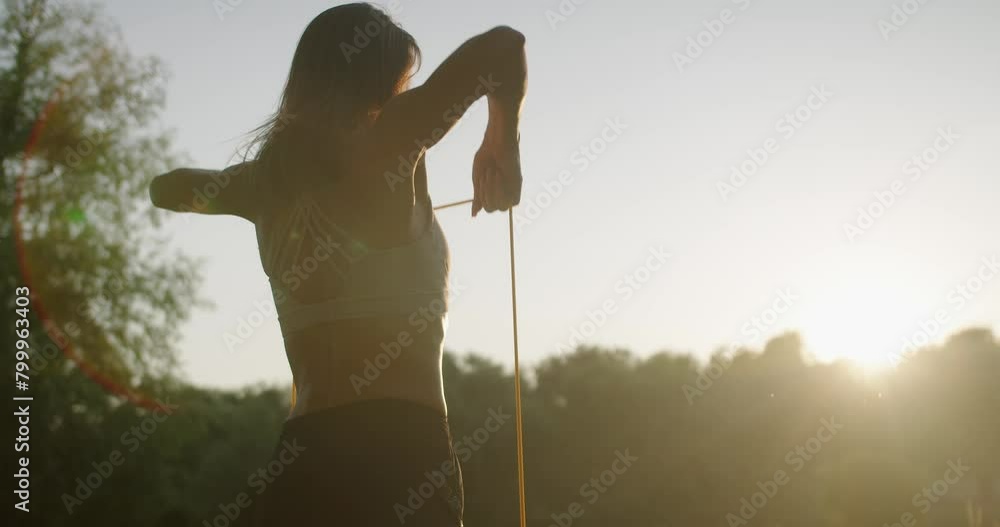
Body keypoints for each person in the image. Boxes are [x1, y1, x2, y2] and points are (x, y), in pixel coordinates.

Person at [148, 3, 526, 525]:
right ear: (379, 83)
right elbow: (504, 46)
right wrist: (502, 144)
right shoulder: (390, 139)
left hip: (302, 463)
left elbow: (165, 189)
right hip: (400, 459)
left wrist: (258, 181)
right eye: (400, 83)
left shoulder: (261, 185)